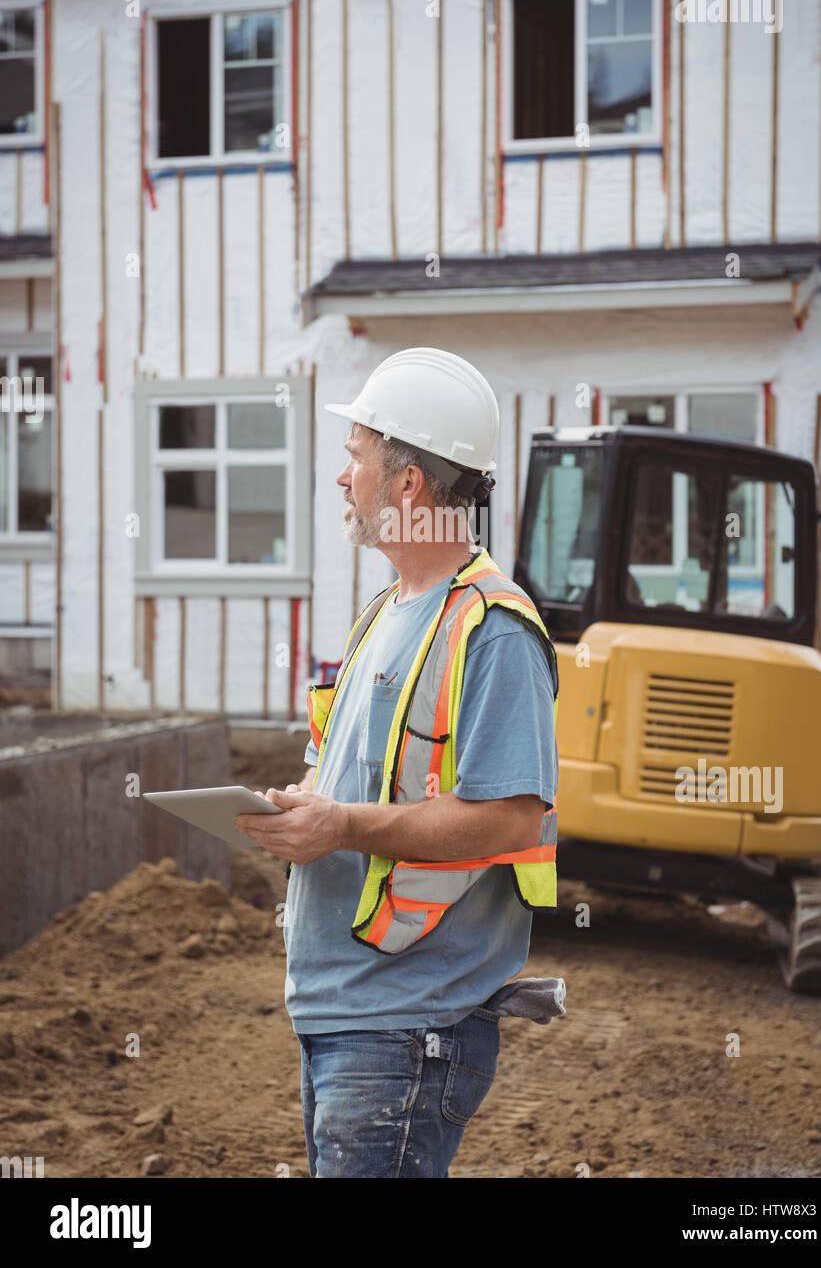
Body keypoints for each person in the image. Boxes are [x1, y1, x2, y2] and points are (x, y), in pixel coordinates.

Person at [236, 347, 561, 1178]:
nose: (343, 479)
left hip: (408, 1024)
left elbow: (512, 815)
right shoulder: (384, 614)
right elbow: (343, 777)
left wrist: (340, 825)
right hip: (347, 1014)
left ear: (407, 484)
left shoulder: (492, 628)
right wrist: (298, 807)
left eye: (356, 458)